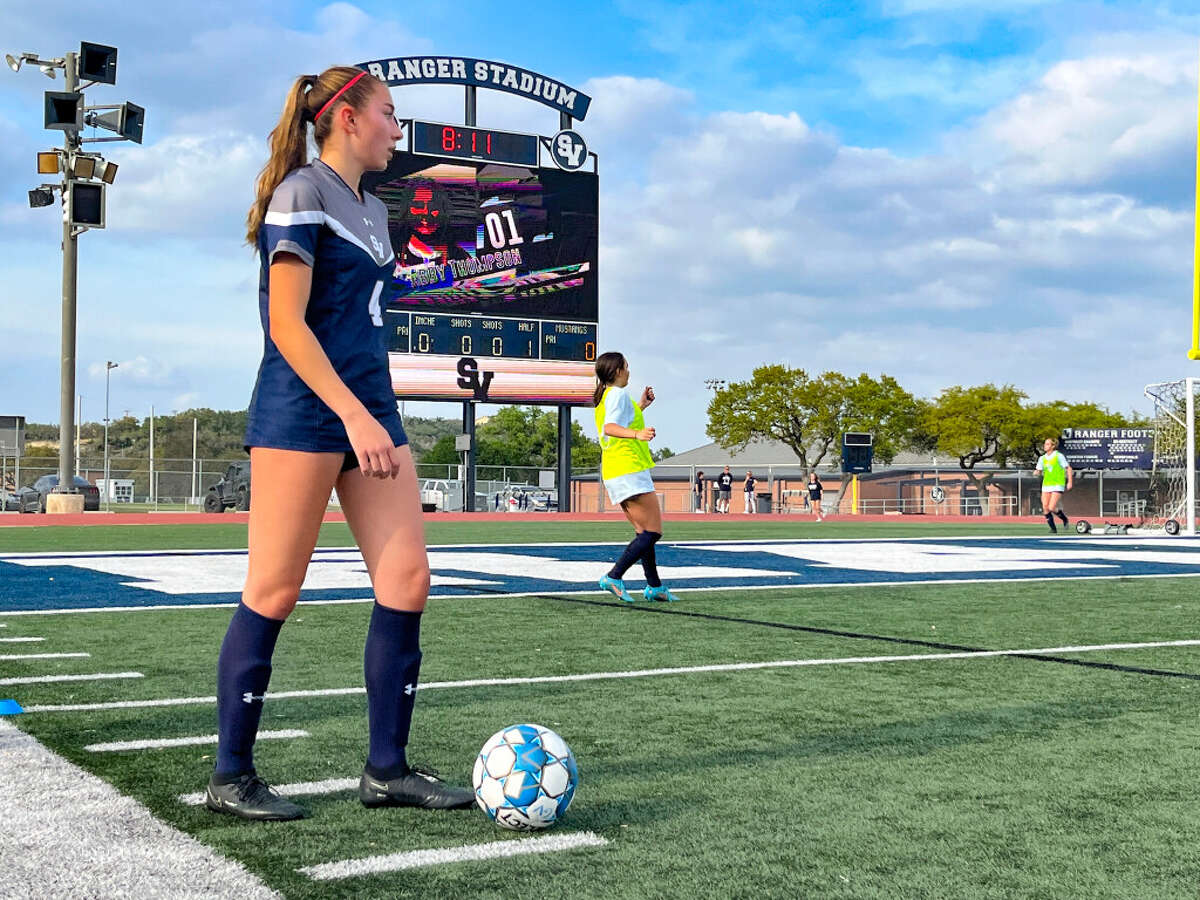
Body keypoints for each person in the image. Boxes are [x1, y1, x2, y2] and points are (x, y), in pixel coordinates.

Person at [206, 66, 473, 822]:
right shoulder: (302, 193)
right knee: (274, 589)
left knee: (408, 579)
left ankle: (387, 769)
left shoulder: (375, 211)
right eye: (390, 113)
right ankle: (231, 775)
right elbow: (287, 325)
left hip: (371, 412)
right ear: (347, 120)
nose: (398, 128)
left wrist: (372, 415)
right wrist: (352, 417)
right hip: (305, 412)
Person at [593, 352, 678, 603]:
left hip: (616, 470)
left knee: (644, 532)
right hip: (629, 469)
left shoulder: (608, 395)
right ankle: (614, 576)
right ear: (617, 371)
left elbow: (617, 421)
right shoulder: (617, 394)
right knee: (653, 532)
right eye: (626, 367)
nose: (629, 371)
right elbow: (611, 427)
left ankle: (655, 586)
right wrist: (637, 434)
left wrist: (641, 406)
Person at [1036, 437, 1074, 533]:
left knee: (1051, 507)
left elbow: (1068, 468)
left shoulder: (1059, 456)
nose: (1045, 446)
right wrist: (1036, 472)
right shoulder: (1042, 458)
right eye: (1045, 444)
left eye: (1048, 444)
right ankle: (1053, 529)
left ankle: (1064, 519)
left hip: (1057, 484)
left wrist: (1070, 482)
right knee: (1045, 507)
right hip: (1046, 484)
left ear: (1053, 446)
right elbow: (1039, 470)